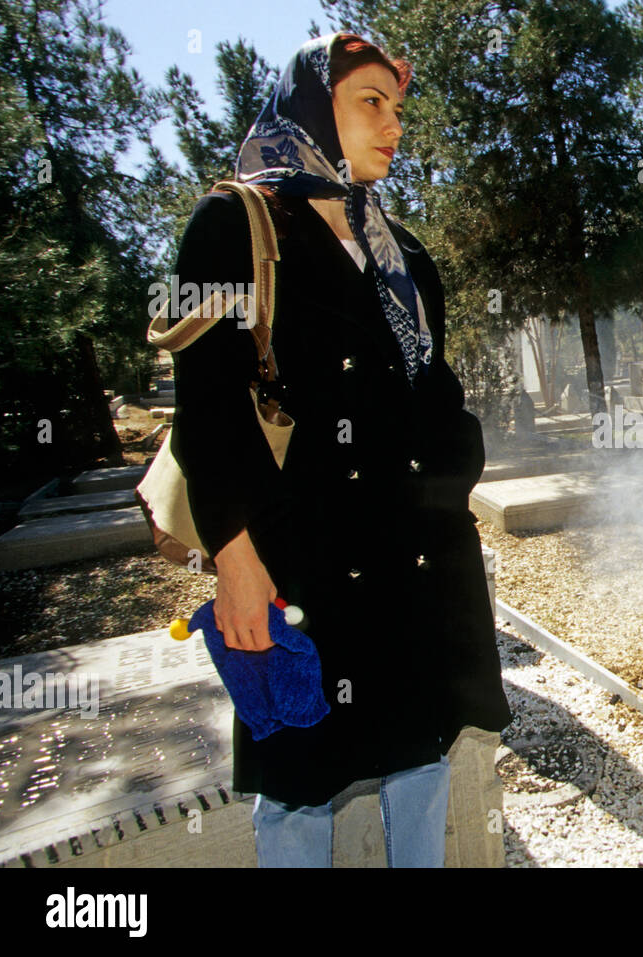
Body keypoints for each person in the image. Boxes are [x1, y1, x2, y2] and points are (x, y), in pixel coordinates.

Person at [169, 32, 512, 867]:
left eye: (398, 108)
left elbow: (438, 396)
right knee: (298, 789)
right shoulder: (233, 225)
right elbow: (206, 410)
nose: (393, 125)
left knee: (422, 760)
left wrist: (450, 483)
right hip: (303, 568)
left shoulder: (406, 254)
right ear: (312, 103)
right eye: (369, 101)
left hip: (417, 564)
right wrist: (237, 563)